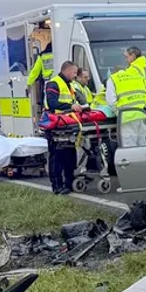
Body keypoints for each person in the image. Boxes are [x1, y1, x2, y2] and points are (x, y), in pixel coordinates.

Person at [44, 61, 83, 194]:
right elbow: (52, 103)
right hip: (55, 125)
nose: (75, 75)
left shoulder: (70, 85)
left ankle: (69, 183)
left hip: (67, 124)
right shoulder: (54, 83)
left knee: (70, 155)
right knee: (57, 157)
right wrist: (70, 107)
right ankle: (57, 186)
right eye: (74, 72)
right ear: (66, 70)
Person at [105, 46, 146, 123]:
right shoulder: (145, 67)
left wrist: (118, 111)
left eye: (127, 57)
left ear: (133, 56)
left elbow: (128, 88)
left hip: (133, 112)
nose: (126, 60)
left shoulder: (133, 70)